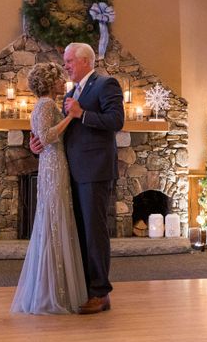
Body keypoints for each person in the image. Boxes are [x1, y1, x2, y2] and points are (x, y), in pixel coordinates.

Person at [30, 43, 124, 315]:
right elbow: (60, 131)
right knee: (79, 232)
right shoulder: (71, 93)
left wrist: (82, 113)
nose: (66, 66)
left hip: (94, 170)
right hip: (69, 171)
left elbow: (116, 121)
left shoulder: (106, 84)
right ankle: (84, 289)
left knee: (94, 233)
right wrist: (36, 144)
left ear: (85, 60)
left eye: (69, 61)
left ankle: (100, 293)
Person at [12, 63, 88, 315]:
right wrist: (70, 117)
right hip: (53, 165)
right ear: (49, 82)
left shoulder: (47, 104)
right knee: (54, 218)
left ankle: (53, 287)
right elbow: (45, 137)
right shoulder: (46, 105)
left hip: (54, 163)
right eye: (59, 78)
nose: (63, 81)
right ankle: (51, 292)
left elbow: (40, 138)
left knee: (55, 217)